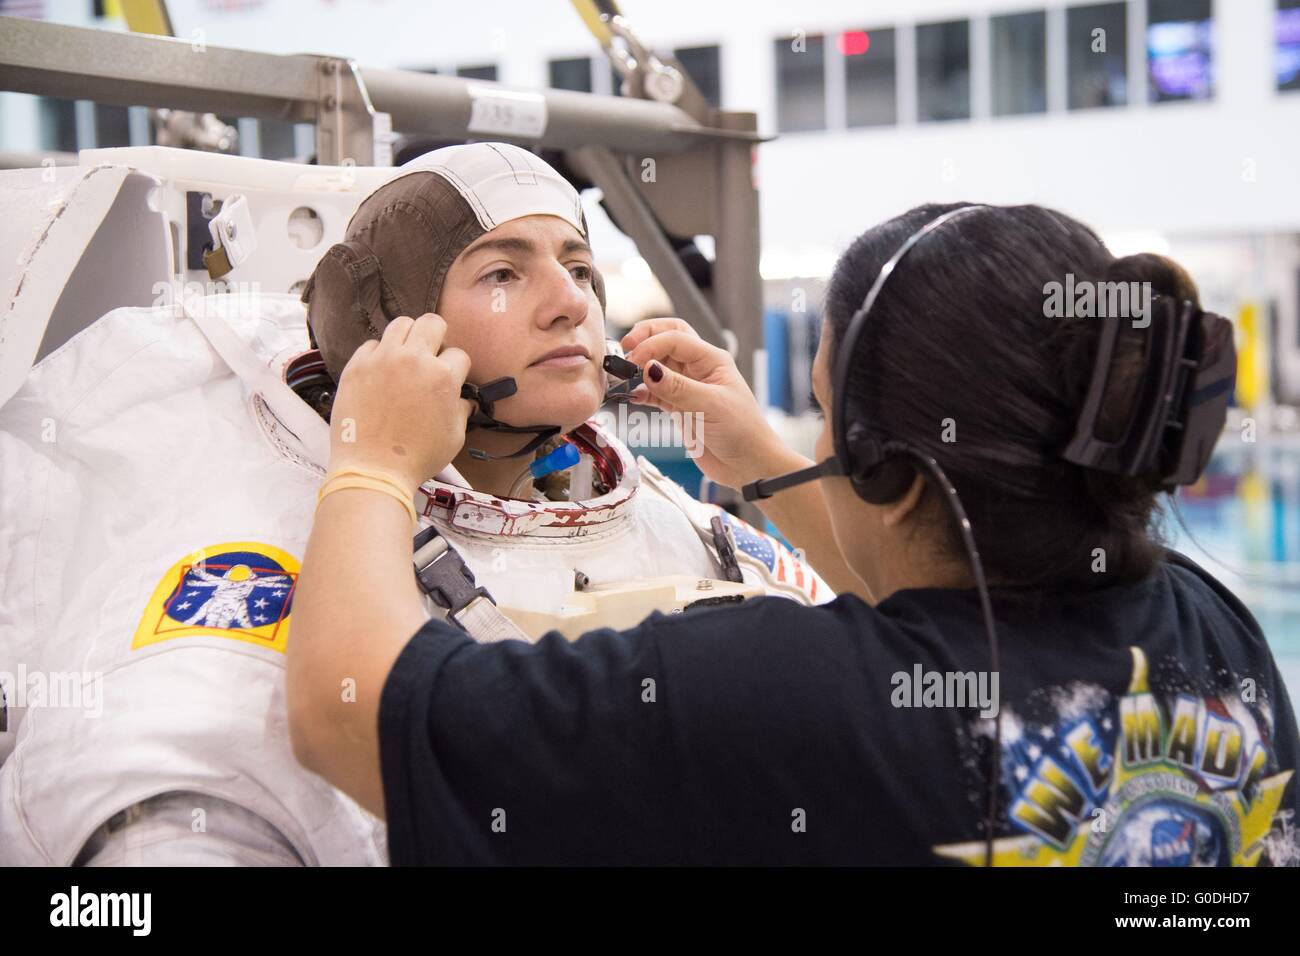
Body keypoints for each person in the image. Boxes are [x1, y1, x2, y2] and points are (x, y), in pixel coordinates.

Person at [288, 202, 1300, 866]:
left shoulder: (777, 698)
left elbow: (354, 712)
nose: (563, 299)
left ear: (891, 481)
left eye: (822, 417)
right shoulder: (1207, 622)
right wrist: (766, 460)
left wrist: (372, 460)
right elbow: (939, 572)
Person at [0, 142, 822, 867]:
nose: (569, 301)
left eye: (577, 267)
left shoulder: (661, 514)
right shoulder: (254, 559)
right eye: (503, 273)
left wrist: (770, 466)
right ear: (382, 322)